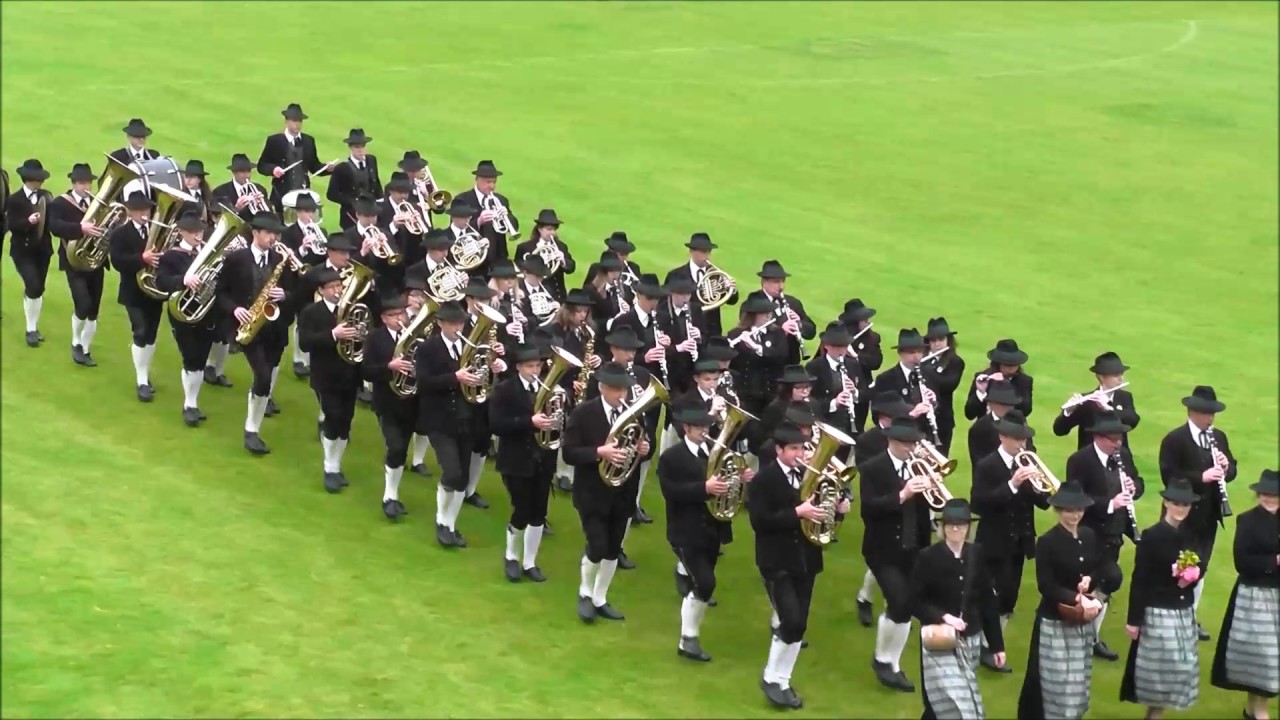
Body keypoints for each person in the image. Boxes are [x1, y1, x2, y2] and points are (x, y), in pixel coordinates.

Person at [749, 424, 849, 708]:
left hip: (807, 559)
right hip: (776, 559)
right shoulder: (764, 480)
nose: (800, 454)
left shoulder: (813, 476)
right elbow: (759, 522)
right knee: (790, 619)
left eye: (803, 448)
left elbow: (823, 519)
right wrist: (797, 512)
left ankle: (782, 679)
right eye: (793, 449)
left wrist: (837, 511)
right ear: (779, 450)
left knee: (799, 624)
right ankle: (771, 676)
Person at [1016, 481, 1120, 720]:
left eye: (1078, 510)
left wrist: (1090, 581)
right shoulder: (1047, 542)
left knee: (1076, 676)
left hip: (1079, 622)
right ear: (1058, 511)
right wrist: (1075, 597)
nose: (1074, 515)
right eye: (1069, 510)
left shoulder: (1089, 535)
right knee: (1048, 677)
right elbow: (1046, 585)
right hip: (1054, 619)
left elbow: (1103, 566)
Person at [658, 405, 753, 661]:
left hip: (712, 529)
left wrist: (740, 479)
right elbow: (671, 492)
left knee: (704, 584)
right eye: (699, 428)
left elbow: (729, 488)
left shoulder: (717, 453)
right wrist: (705, 487)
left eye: (707, 428)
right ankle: (687, 638)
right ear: (686, 429)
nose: (704, 432)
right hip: (684, 531)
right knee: (706, 582)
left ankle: (690, 635)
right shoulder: (671, 457)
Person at [562, 362, 651, 623]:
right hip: (592, 491)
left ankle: (600, 597)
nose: (620, 395)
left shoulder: (635, 414)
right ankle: (585, 593)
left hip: (623, 491)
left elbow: (645, 448)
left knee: (613, 548)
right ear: (601, 388)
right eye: (614, 390)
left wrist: (645, 449)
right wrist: (599, 452)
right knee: (598, 544)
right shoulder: (583, 413)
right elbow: (569, 453)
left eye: (623, 390)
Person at [911, 498, 1004, 720]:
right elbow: (913, 602)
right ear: (943, 527)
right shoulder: (928, 557)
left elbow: (987, 603)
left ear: (968, 528)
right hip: (938, 639)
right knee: (943, 700)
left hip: (968, 639)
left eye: (960, 524)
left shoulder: (977, 554)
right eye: (951, 524)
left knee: (961, 701)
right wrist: (943, 617)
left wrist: (997, 646)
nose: (955, 528)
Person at [970, 409, 1049, 672]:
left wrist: (1039, 485)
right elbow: (979, 504)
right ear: (1003, 437)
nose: (1023, 444)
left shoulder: (1028, 463)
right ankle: (986, 645)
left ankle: (991, 644)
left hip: (1020, 542)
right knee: (990, 594)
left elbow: (1044, 503)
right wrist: (1012, 485)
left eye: (1024, 439)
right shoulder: (988, 465)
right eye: (1018, 439)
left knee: (1009, 598)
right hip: (994, 542)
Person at [1157, 385, 1237, 640]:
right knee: (1174, 567)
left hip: (1208, 517)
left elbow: (1233, 469)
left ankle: (1189, 615)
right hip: (1180, 517)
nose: (1210, 418)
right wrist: (1201, 476)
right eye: (1205, 413)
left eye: (1212, 413)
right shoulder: (1175, 439)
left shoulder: (1219, 437)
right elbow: (1168, 476)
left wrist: (1225, 468)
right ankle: (1167, 615)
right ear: (1191, 411)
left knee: (1199, 568)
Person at [861, 417, 935, 692]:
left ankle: (893, 663)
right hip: (883, 550)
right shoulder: (873, 468)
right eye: (906, 444)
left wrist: (930, 488)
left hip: (913, 546)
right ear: (892, 442)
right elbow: (868, 509)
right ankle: (882, 659)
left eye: (914, 444)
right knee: (899, 601)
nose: (911, 449)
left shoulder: (919, 467)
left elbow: (927, 508)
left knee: (907, 606)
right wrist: (902, 494)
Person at [1120, 478, 1205, 718]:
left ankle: (1156, 715)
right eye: (1176, 503)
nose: (1181, 508)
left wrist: (1192, 576)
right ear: (1166, 502)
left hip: (1182, 611)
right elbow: (1140, 580)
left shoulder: (1191, 534)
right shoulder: (1152, 536)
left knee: (1181, 667)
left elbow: (1198, 565)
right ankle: (1153, 715)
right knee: (1160, 671)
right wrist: (1134, 620)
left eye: (1185, 505)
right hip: (1158, 610)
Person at [1066, 410, 1145, 660]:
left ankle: (1091, 637)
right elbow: (1076, 500)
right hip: (1089, 533)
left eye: (1120, 438)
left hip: (1115, 533)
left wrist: (1133, 488)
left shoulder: (1122, 456)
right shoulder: (1080, 460)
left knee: (1104, 585)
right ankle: (1076, 634)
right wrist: (1110, 504)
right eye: (1114, 438)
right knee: (1090, 582)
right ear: (1099, 437)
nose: (1119, 443)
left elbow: (1139, 482)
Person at [216, 212, 295, 455]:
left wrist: (285, 295)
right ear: (255, 233)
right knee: (262, 376)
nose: (273, 238)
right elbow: (221, 293)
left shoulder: (282, 259)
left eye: (276, 234)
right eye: (269, 233)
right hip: (247, 326)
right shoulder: (236, 259)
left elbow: (295, 291)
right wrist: (235, 309)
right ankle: (251, 430)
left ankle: (255, 425)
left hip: (274, 327)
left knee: (266, 379)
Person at [1211, 469, 1279, 720]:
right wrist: (1274, 561)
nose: (1270, 499)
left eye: (1275, 495)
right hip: (1254, 597)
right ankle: (1260, 712)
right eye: (1265, 494)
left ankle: (1252, 710)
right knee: (1261, 656)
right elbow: (1242, 562)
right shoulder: (1247, 520)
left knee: (1271, 655)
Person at [418, 301, 486, 548]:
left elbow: (482, 382)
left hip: (466, 418)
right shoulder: (428, 349)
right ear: (440, 324)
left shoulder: (470, 348)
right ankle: (441, 519)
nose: (457, 328)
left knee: (463, 476)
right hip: (439, 419)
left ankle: (451, 524)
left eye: (460, 324)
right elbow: (423, 382)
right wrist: (454, 378)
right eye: (452, 323)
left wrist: (493, 369)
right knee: (452, 472)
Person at [489, 345, 558, 582]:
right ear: (518, 367)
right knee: (522, 509)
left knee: (539, 512)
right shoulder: (504, 390)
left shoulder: (548, 389)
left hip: (543, 459)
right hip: (515, 460)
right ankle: (511, 556)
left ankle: (530, 561)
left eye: (538, 366)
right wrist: (530, 422)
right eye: (530, 366)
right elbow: (497, 424)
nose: (535, 371)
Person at [298, 267, 362, 492]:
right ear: (321, 290)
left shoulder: (353, 310)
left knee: (345, 422)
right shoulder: (311, 313)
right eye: (332, 287)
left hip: (350, 374)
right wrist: (334, 335)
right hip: (326, 375)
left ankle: (336, 464)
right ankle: (330, 467)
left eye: (339, 286)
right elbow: (305, 342)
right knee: (332, 419)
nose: (337, 291)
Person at [853, 391, 914, 627]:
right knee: (882, 567)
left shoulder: (908, 439)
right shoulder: (867, 441)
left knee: (893, 573)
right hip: (883, 514)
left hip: (907, 521)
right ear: (885, 418)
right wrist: (901, 488)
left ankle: (869, 600)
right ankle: (866, 599)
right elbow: (868, 474)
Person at [154, 213, 217, 426]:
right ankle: (189, 404)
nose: (197, 236)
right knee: (190, 358)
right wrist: (183, 280)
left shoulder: (209, 254)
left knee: (200, 358)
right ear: (182, 233)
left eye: (199, 232)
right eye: (193, 232)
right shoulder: (171, 256)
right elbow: (161, 281)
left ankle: (193, 401)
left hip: (205, 312)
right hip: (182, 312)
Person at [361, 295, 418, 520]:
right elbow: (366, 371)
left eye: (401, 314)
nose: (398, 319)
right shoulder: (375, 339)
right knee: (395, 446)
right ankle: (389, 495)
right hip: (387, 402)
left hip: (411, 402)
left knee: (402, 448)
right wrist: (390, 367)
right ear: (384, 319)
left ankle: (393, 493)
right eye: (393, 316)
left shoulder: (414, 335)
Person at [107, 193, 163, 401]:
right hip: (132, 291)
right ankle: (141, 380)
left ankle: (145, 373)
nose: (144, 214)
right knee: (140, 331)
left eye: (147, 210)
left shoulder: (157, 232)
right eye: (140, 211)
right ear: (130, 212)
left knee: (151, 335)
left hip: (154, 291)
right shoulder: (120, 234)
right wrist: (142, 258)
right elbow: (118, 262)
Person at [47, 163, 105, 365]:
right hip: (73, 260)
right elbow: (55, 227)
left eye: (88, 182)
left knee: (94, 309)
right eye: (82, 183)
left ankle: (86, 348)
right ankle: (75, 342)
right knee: (82, 303)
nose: (86, 186)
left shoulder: (97, 203)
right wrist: (81, 228)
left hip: (96, 260)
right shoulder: (60, 203)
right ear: (73, 183)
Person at [6, 159, 55, 347]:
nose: (40, 183)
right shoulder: (15, 200)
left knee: (39, 288)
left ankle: (34, 326)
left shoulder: (47, 195)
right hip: (22, 251)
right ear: (28, 180)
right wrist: (29, 221)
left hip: (42, 250)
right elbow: (13, 226)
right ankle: (30, 328)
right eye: (37, 179)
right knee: (33, 286)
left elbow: (52, 221)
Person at [1053, 351, 1140, 449]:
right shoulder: (1086, 402)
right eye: (1116, 375)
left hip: (1119, 456)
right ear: (1101, 377)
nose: (1121, 378)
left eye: (1122, 374)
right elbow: (1059, 430)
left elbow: (1133, 421)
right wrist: (1068, 412)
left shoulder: (1124, 397)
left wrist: (1109, 408)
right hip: (1091, 459)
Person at [872, 328, 942, 443]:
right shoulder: (885, 379)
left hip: (925, 436)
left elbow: (939, 408)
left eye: (919, 351)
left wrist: (933, 403)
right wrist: (910, 414)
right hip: (898, 439)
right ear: (900, 353)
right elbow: (878, 415)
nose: (916, 357)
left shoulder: (929, 374)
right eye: (911, 352)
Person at [450, 160, 516, 276]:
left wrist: (507, 216)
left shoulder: (501, 200)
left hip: (497, 260)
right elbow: (455, 230)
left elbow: (513, 226)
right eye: (488, 182)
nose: (491, 186)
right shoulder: (462, 200)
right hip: (474, 260)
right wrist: (479, 221)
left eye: (494, 182)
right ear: (477, 180)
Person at [664, 232, 737, 337]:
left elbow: (732, 300)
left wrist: (731, 288)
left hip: (711, 331)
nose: (707, 255)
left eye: (708, 251)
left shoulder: (716, 275)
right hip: (684, 332)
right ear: (691, 251)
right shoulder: (675, 275)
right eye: (703, 251)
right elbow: (665, 303)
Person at [727, 295, 789, 418]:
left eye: (769, 313)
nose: (768, 316)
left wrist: (756, 347)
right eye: (764, 313)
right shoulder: (735, 334)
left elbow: (781, 357)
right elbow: (734, 362)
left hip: (769, 391)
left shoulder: (777, 334)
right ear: (753, 315)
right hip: (745, 391)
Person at [744, 259, 815, 365]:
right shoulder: (754, 301)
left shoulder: (792, 302)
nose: (781, 286)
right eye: (776, 282)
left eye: (783, 281)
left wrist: (799, 324)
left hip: (791, 362)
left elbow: (811, 332)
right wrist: (781, 330)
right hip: (767, 362)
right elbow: (748, 327)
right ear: (764, 282)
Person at [804, 322, 860, 442]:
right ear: (827, 346)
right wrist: (834, 403)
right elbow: (809, 399)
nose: (842, 350)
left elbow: (866, 394)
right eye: (837, 346)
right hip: (826, 424)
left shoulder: (853, 365)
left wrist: (855, 392)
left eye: (844, 346)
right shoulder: (814, 367)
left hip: (848, 428)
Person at [921, 317, 965, 454]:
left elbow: (948, 385)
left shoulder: (955, 362)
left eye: (941, 339)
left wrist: (926, 371)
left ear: (948, 340)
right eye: (933, 340)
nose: (937, 344)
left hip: (942, 419)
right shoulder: (920, 359)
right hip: (920, 417)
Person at [963, 339, 1034, 420]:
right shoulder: (983, 378)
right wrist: (981, 392)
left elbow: (1026, 410)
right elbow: (969, 414)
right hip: (985, 427)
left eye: (1014, 364)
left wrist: (1006, 386)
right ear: (998, 363)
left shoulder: (1024, 381)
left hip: (1012, 428)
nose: (1011, 368)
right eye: (1007, 364)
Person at [839, 298, 882, 432]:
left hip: (862, 389)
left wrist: (856, 356)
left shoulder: (873, 338)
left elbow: (876, 362)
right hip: (839, 389)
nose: (868, 322)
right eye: (864, 320)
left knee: (857, 428)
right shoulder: (838, 338)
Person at [326, 129, 382, 230]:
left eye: (362, 146)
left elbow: (376, 183)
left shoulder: (371, 160)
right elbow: (331, 194)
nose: (360, 150)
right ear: (350, 147)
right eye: (357, 147)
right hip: (351, 216)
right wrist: (352, 202)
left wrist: (380, 203)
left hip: (371, 213)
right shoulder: (342, 168)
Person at [513, 209, 574, 302]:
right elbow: (519, 271)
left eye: (554, 229)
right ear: (540, 229)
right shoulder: (525, 248)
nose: (552, 233)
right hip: (535, 294)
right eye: (549, 229)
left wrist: (563, 261)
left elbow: (571, 268)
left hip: (556, 295)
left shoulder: (561, 246)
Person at [966, 380, 1029, 467]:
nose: (1008, 408)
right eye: (1003, 404)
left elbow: (1029, 448)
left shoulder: (1018, 419)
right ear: (991, 404)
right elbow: (979, 463)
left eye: (1010, 405)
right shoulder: (979, 428)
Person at [212, 153, 272, 223]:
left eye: (249, 171)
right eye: (242, 171)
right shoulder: (220, 192)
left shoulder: (260, 189)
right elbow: (219, 219)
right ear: (234, 172)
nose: (247, 175)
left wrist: (259, 206)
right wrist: (236, 209)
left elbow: (269, 216)